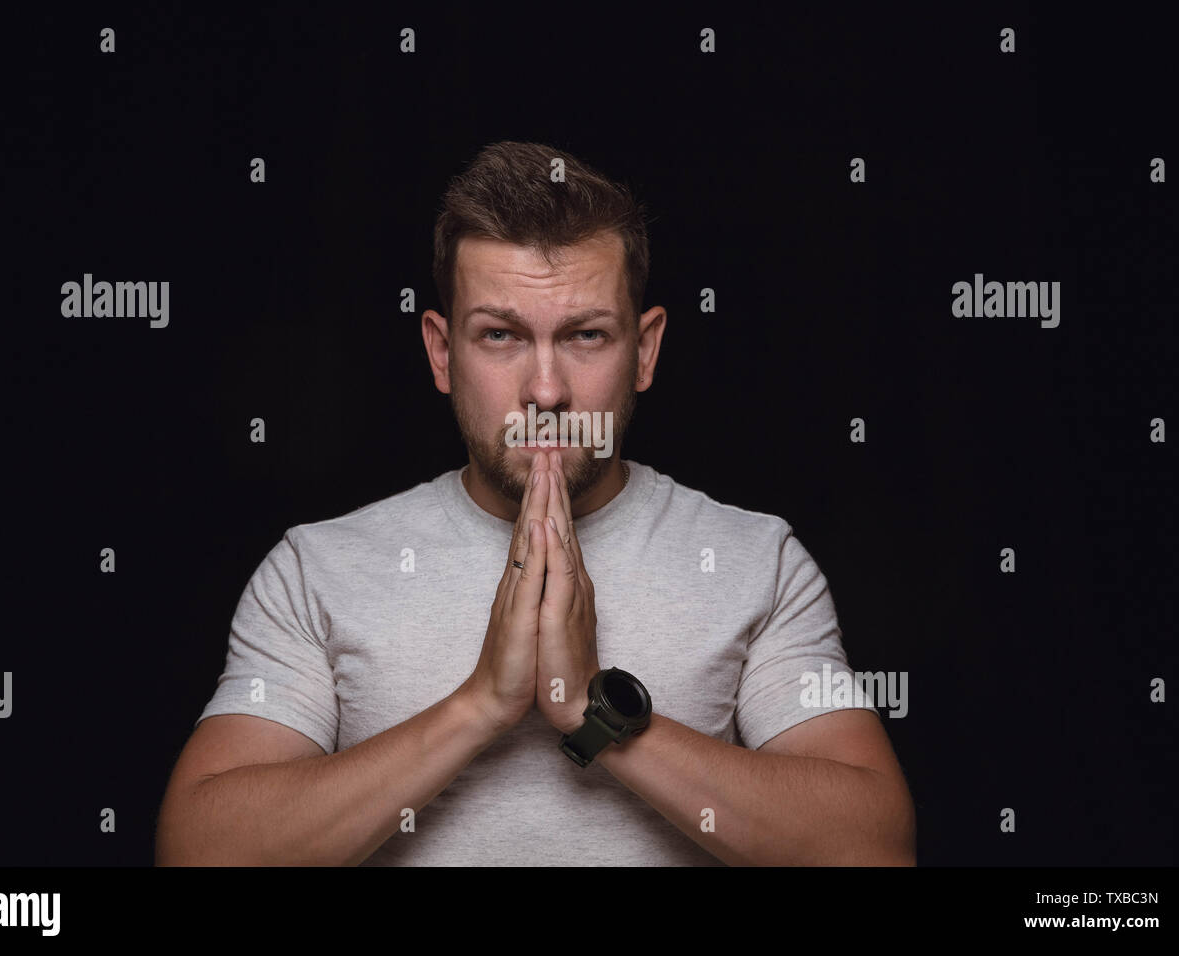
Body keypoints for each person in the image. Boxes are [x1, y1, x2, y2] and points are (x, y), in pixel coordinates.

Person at [155, 141, 916, 866]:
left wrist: (599, 713)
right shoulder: (315, 569)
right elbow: (198, 850)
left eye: (586, 335)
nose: (546, 391)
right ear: (441, 351)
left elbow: (872, 845)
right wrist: (482, 704)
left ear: (645, 350)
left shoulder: (759, 560)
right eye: (500, 336)